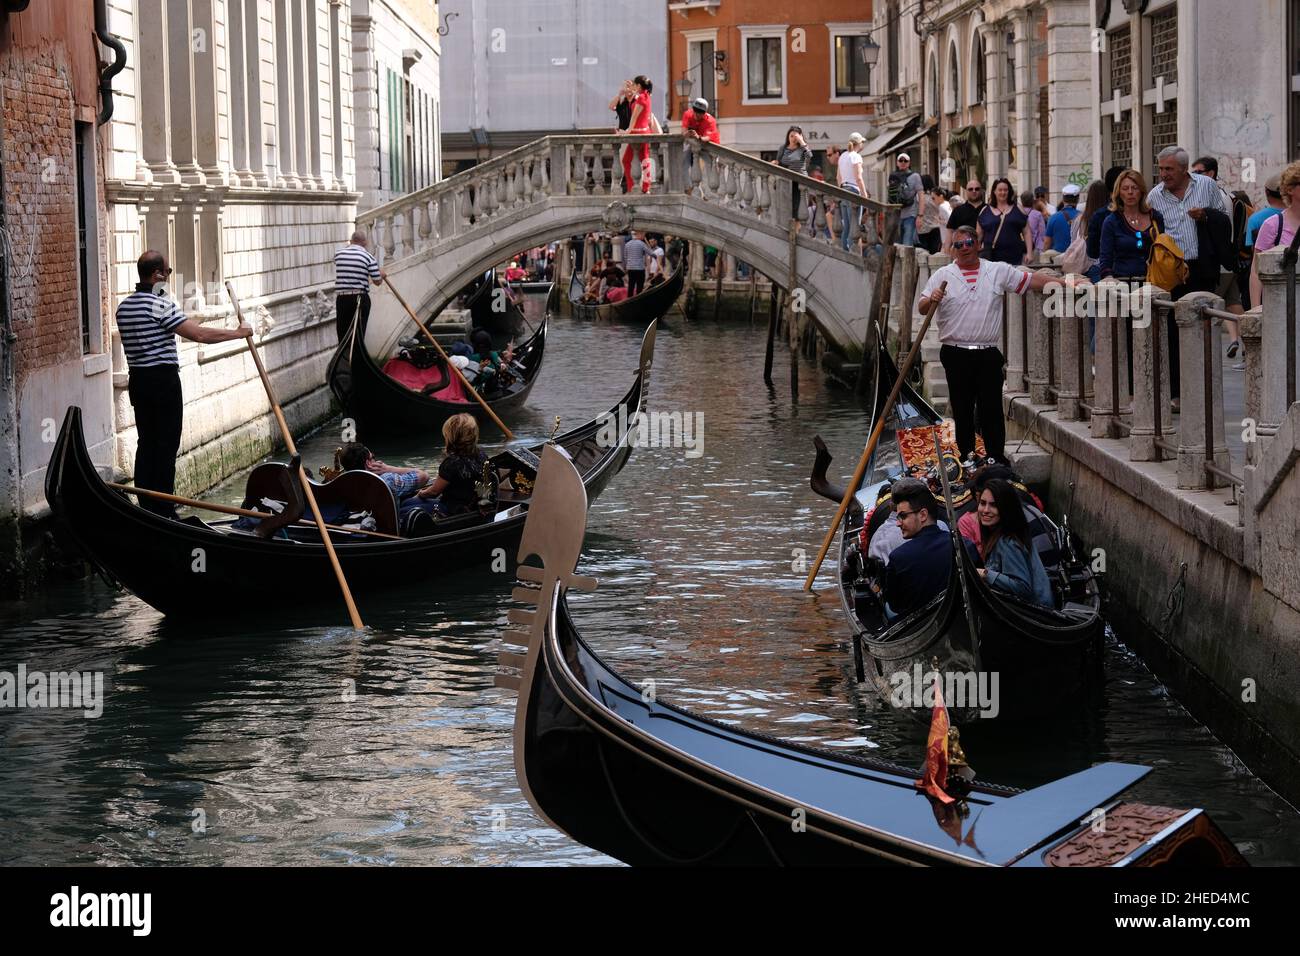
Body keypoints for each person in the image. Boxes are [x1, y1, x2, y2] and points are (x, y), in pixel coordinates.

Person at [917, 225, 1085, 464]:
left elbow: (1031, 281)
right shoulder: (942, 275)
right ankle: (966, 457)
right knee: (962, 410)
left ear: (978, 245)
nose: (963, 248)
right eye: (958, 245)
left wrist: (1065, 284)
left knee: (992, 411)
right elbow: (922, 307)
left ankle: (995, 458)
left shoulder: (996, 271)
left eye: (968, 243)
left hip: (987, 354)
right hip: (955, 354)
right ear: (953, 249)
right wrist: (931, 298)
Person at [116, 250, 253, 517]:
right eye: (167, 272)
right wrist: (238, 333)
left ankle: (147, 506)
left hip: (139, 382)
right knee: (166, 444)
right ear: (156, 274)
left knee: (147, 442)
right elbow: (199, 333)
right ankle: (165, 509)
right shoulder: (159, 304)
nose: (168, 277)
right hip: (163, 382)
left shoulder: (125, 307)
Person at [1146, 146, 1231, 406]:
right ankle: (1176, 391)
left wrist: (1206, 216)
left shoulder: (1206, 185)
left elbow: (1224, 219)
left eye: (1169, 169)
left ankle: (1204, 387)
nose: (1163, 174)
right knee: (1172, 330)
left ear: (1184, 169)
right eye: (1160, 169)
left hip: (1202, 267)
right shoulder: (1155, 196)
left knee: (1203, 327)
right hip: (1171, 272)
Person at [881, 481, 978, 619]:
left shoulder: (898, 557)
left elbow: (896, 605)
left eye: (903, 516)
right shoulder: (966, 545)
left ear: (922, 515)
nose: (898, 523)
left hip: (921, 626)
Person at [1190, 155, 1246, 363]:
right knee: (1233, 303)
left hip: (1219, 265)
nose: (1193, 177)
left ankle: (1206, 356)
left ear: (1210, 174)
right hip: (1226, 264)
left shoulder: (1216, 197)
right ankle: (1244, 342)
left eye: (1198, 173)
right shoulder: (1223, 195)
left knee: (1208, 309)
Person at [974, 479, 1053, 607]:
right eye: (983, 503)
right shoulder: (1006, 533)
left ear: (1006, 509)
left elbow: (1022, 588)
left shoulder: (1007, 542)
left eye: (994, 505)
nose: (985, 510)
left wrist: (984, 574)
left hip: (1035, 615)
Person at [401, 414, 495, 520]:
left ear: (450, 436)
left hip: (452, 510)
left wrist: (421, 494)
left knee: (405, 507)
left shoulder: (451, 463)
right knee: (408, 503)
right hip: (474, 506)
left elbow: (434, 492)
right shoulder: (482, 455)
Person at [1249, 161, 1300, 316]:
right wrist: (1256, 310)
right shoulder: (1273, 225)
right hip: (1282, 307)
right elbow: (1256, 271)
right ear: (1290, 189)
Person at [1098, 169, 1164, 281]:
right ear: (1118, 192)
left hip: (1154, 282)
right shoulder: (1112, 221)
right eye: (1125, 188)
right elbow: (1105, 258)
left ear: (1141, 191)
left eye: (1134, 188)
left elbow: (1164, 249)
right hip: (1122, 283)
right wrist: (1108, 278)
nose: (1130, 192)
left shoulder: (1155, 217)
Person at [1243, 174, 1285, 320]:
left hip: (1269, 285)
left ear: (1267, 192)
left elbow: (1252, 253)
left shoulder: (1256, 219)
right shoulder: (1275, 222)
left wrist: (1255, 306)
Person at [334, 228, 387, 342]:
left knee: (343, 333)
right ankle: (356, 357)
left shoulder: (338, 255)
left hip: (342, 299)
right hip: (359, 299)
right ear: (365, 243)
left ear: (351, 241)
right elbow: (377, 281)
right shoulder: (368, 257)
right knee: (358, 334)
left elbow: (348, 270)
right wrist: (381, 274)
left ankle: (344, 356)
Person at [337, 442, 430, 504]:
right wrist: (389, 468)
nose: (378, 460)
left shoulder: (342, 484)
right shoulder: (387, 479)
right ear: (368, 463)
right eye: (373, 457)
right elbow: (424, 476)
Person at [977, 178, 1032, 264]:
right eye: (1000, 190)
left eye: (1005, 190)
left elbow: (1027, 232)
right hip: (991, 257)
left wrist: (1029, 253)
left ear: (1009, 191)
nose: (1003, 192)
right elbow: (979, 235)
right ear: (994, 191)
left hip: (1014, 255)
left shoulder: (1018, 208)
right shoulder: (985, 211)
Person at [619, 75, 656, 194]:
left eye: (635, 85)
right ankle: (645, 187)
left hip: (638, 132)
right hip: (644, 131)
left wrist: (627, 132)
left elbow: (634, 118)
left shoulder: (641, 99)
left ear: (639, 86)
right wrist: (632, 89)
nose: (633, 87)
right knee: (643, 159)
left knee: (629, 160)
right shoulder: (647, 96)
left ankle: (634, 187)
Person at [680, 97, 720, 196]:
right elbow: (683, 132)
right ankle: (689, 188)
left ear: (704, 113)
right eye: (695, 111)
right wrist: (687, 134)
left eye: (700, 112)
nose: (697, 114)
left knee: (712, 168)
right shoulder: (688, 114)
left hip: (710, 147)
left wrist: (698, 137)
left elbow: (706, 138)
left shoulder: (710, 121)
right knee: (684, 160)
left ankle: (711, 194)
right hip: (695, 144)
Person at [772, 125, 812, 221]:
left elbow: (809, 155)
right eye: (791, 136)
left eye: (796, 136)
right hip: (786, 182)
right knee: (786, 210)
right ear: (788, 137)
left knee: (799, 211)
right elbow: (779, 163)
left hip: (800, 183)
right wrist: (775, 163)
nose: (793, 138)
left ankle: (797, 232)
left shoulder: (803, 148)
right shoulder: (783, 148)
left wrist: (801, 141)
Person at [837, 133, 868, 252]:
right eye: (862, 142)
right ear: (859, 143)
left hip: (843, 190)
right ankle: (852, 253)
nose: (862, 144)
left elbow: (838, 177)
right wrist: (864, 196)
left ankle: (844, 251)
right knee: (855, 225)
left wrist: (841, 191)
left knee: (847, 226)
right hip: (854, 191)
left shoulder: (843, 156)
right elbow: (858, 178)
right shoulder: (856, 157)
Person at [890, 152, 925, 247]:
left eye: (905, 161)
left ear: (909, 163)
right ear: (897, 163)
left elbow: (921, 195)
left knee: (907, 244)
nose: (903, 162)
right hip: (896, 214)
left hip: (910, 214)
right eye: (900, 160)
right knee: (896, 244)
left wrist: (920, 216)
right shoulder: (892, 176)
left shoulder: (915, 176)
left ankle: (906, 262)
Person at [610, 79, 635, 191]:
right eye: (626, 86)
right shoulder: (622, 102)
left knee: (635, 162)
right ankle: (615, 187)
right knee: (620, 162)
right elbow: (611, 106)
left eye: (630, 86)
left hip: (635, 134)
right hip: (623, 135)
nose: (628, 89)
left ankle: (636, 187)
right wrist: (619, 94)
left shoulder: (637, 101)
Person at [1043, 183, 1081, 253]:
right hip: (1078, 259)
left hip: (1058, 260)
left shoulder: (1053, 218)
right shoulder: (1084, 217)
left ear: (1063, 199)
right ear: (1078, 199)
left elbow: (1047, 243)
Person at [946, 179, 985, 245]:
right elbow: (950, 232)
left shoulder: (988, 209)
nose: (974, 191)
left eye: (977, 189)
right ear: (966, 191)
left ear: (981, 190)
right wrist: (947, 251)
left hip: (985, 250)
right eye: (970, 189)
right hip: (963, 249)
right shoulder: (958, 210)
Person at [915, 178, 946, 254]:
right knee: (935, 252)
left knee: (923, 253)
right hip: (935, 226)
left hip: (922, 228)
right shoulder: (935, 197)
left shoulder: (918, 197)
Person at [622, 230, 650, 296]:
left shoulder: (627, 244)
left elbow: (625, 257)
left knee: (631, 285)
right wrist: (655, 256)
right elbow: (650, 252)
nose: (643, 236)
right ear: (638, 234)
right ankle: (638, 298)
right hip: (640, 268)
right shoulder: (641, 243)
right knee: (639, 286)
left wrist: (627, 266)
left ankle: (629, 299)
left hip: (631, 268)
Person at [1021, 190, 1046, 257]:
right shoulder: (1038, 214)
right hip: (1035, 248)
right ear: (1032, 201)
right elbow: (1042, 233)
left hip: (1020, 248)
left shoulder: (1017, 213)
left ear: (1021, 201)